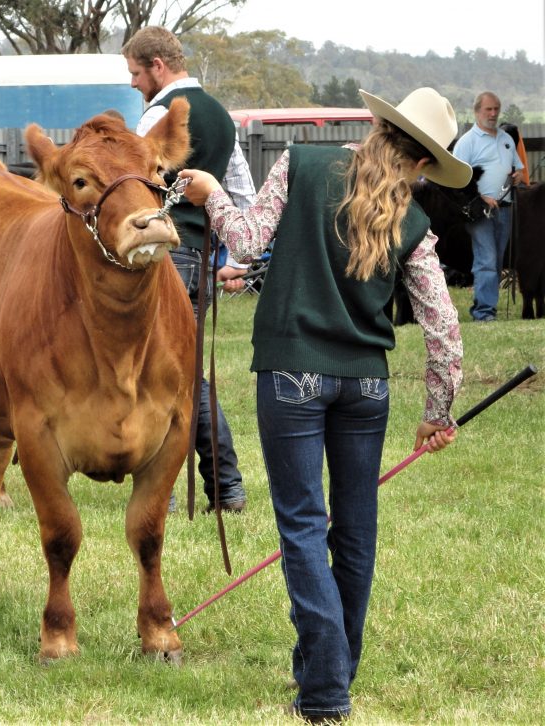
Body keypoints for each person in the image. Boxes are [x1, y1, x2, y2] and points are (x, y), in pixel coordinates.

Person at [178, 87, 466, 722]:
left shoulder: (303, 163)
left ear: (376, 124)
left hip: (291, 374)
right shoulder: (413, 221)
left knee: (304, 527)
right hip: (366, 385)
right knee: (355, 531)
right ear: (424, 163)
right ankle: (333, 677)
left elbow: (248, 239)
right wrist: (438, 410)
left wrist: (211, 194)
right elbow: (443, 326)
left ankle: (327, 688)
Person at [122, 25, 255, 513]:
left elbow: (127, 185)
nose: (134, 83)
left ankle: (168, 491)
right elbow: (243, 196)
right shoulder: (221, 116)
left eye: (136, 73)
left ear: (157, 66)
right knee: (191, 374)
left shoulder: (159, 115)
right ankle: (226, 487)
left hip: (163, 256)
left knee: (159, 376)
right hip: (202, 259)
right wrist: (237, 259)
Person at [453, 92, 525, 322]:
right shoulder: (466, 143)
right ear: (477, 112)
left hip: (505, 208)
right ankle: (484, 313)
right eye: (488, 110)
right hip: (479, 211)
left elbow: (519, 169)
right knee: (486, 259)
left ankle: (486, 308)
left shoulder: (506, 139)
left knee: (496, 261)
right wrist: (481, 196)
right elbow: (457, 180)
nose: (493, 114)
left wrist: (517, 175)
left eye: (496, 109)